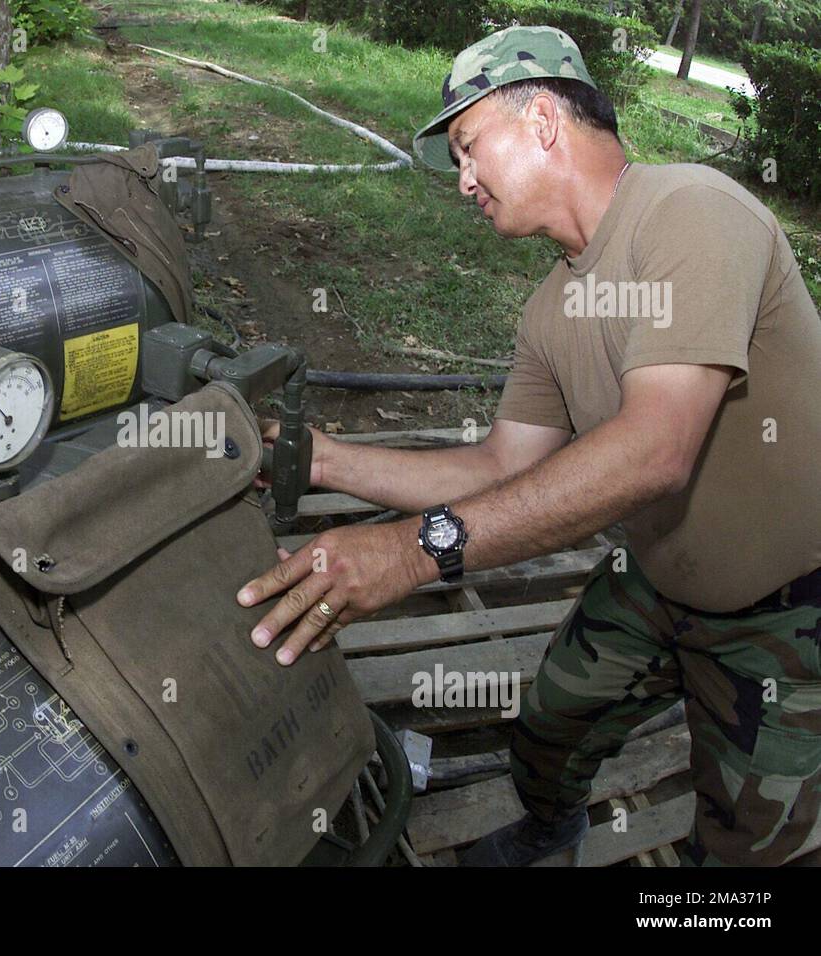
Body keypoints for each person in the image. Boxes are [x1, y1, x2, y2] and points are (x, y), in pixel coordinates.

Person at [236, 25, 821, 866]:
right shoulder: (552, 310)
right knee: (549, 726)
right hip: (654, 584)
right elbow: (497, 467)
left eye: (469, 148)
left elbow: (656, 449)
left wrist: (412, 554)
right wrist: (319, 457)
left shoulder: (692, 212)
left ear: (543, 118)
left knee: (747, 855)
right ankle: (554, 831)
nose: (463, 181)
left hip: (787, 614)